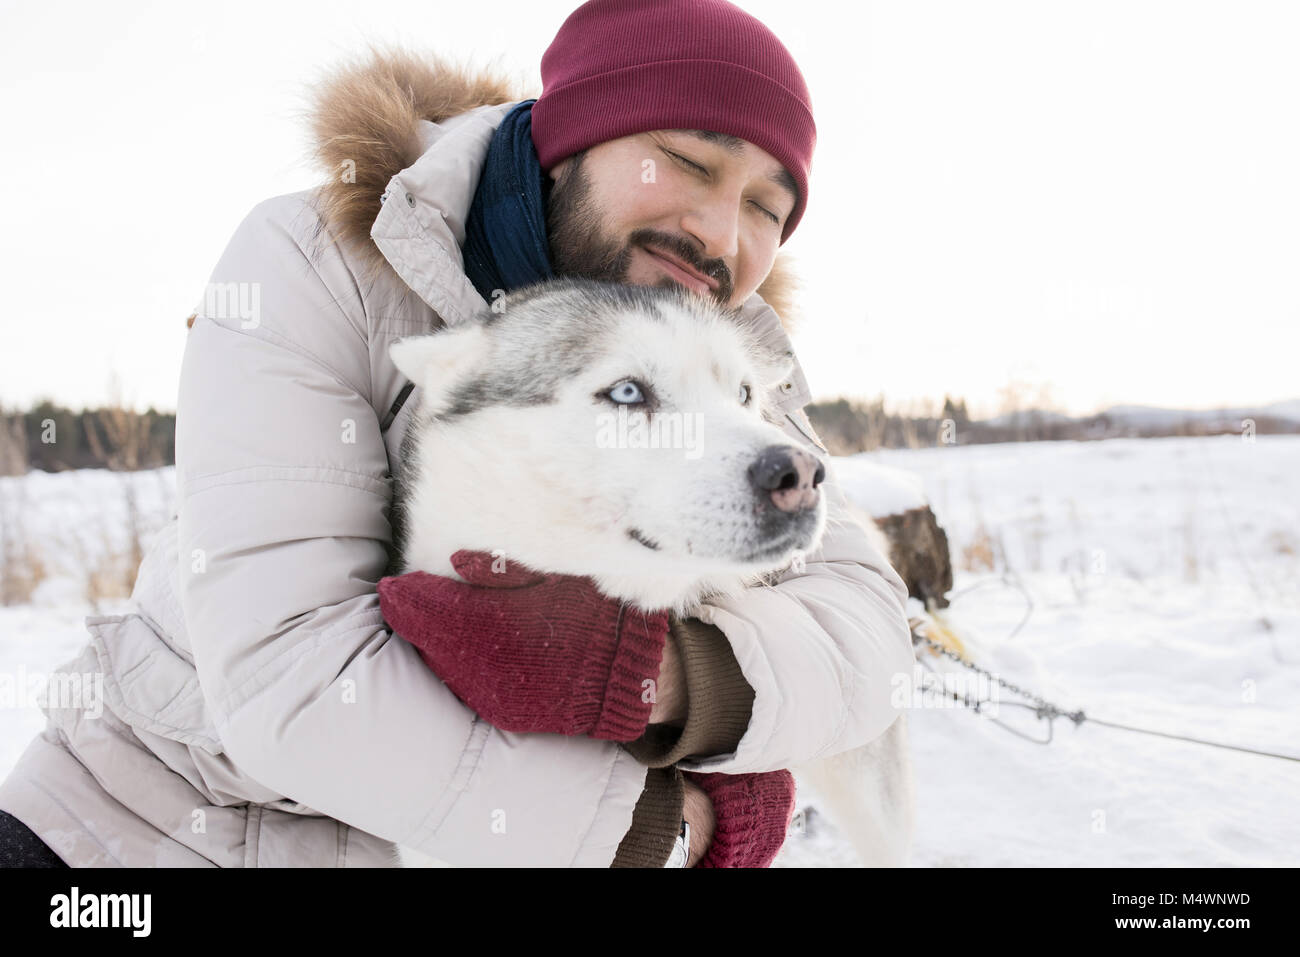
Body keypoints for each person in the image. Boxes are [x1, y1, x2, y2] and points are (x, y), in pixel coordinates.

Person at [0, 0, 913, 867]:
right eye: (689, 161)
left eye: (767, 205)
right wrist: (659, 827)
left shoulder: (730, 341)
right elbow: (297, 686)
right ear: (570, 147)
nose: (721, 233)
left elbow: (863, 633)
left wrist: (666, 682)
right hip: (143, 832)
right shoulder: (318, 263)